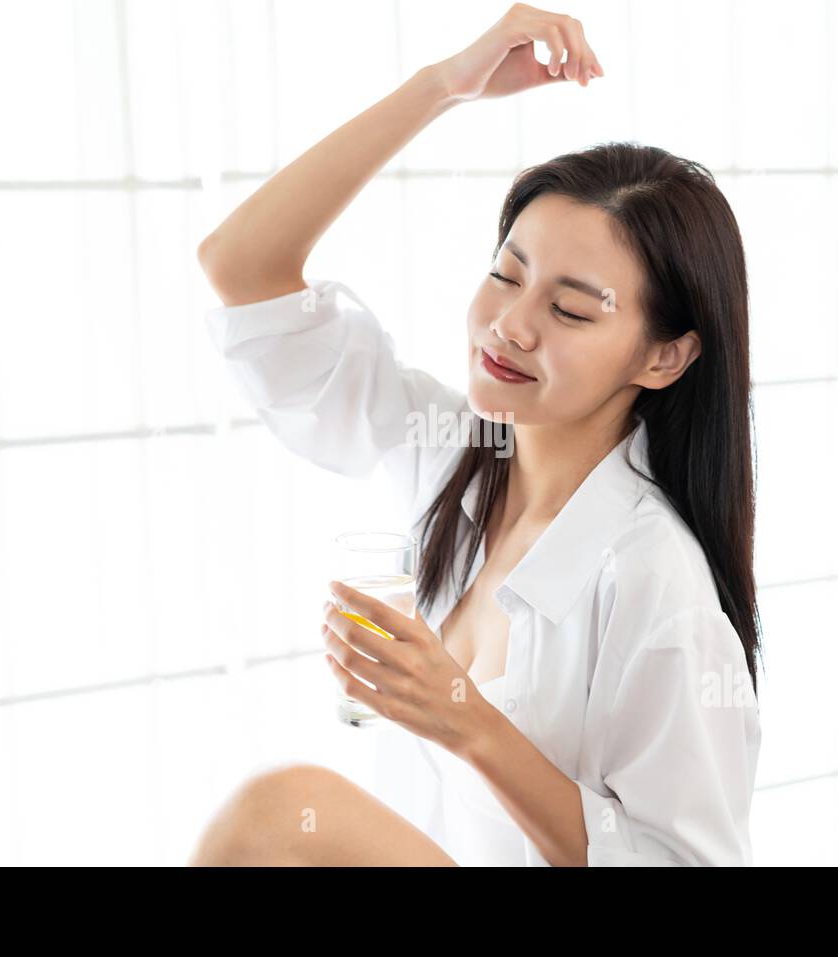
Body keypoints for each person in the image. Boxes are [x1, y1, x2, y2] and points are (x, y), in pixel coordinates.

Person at [189, 3, 762, 867]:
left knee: (281, 814)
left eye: (570, 309)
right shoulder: (448, 452)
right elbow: (243, 270)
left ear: (665, 355)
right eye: (506, 275)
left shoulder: (653, 579)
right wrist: (442, 88)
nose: (511, 327)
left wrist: (465, 718)